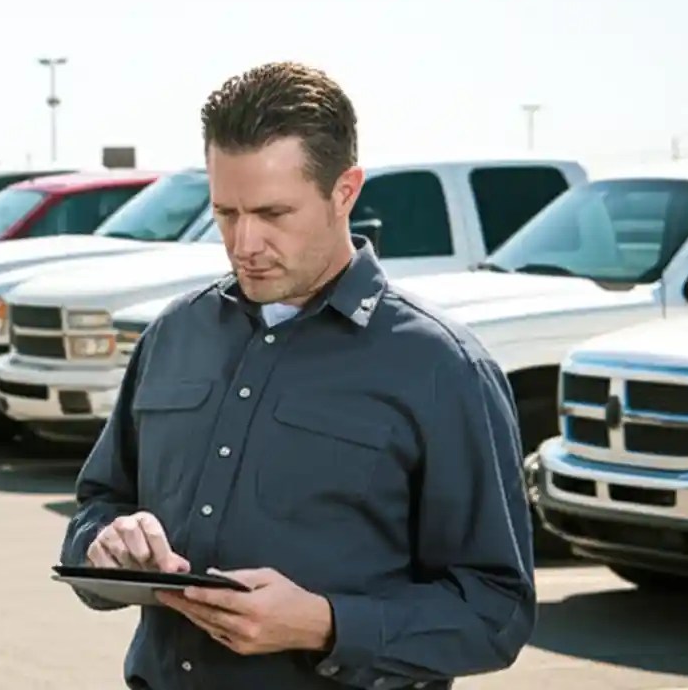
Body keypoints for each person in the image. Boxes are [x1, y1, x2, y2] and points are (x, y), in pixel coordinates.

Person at [57, 60, 536, 690]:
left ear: (345, 192)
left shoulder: (444, 369)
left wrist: (326, 625)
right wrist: (107, 546)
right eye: (225, 212)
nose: (244, 242)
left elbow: (495, 612)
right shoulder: (174, 337)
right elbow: (98, 507)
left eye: (273, 213)